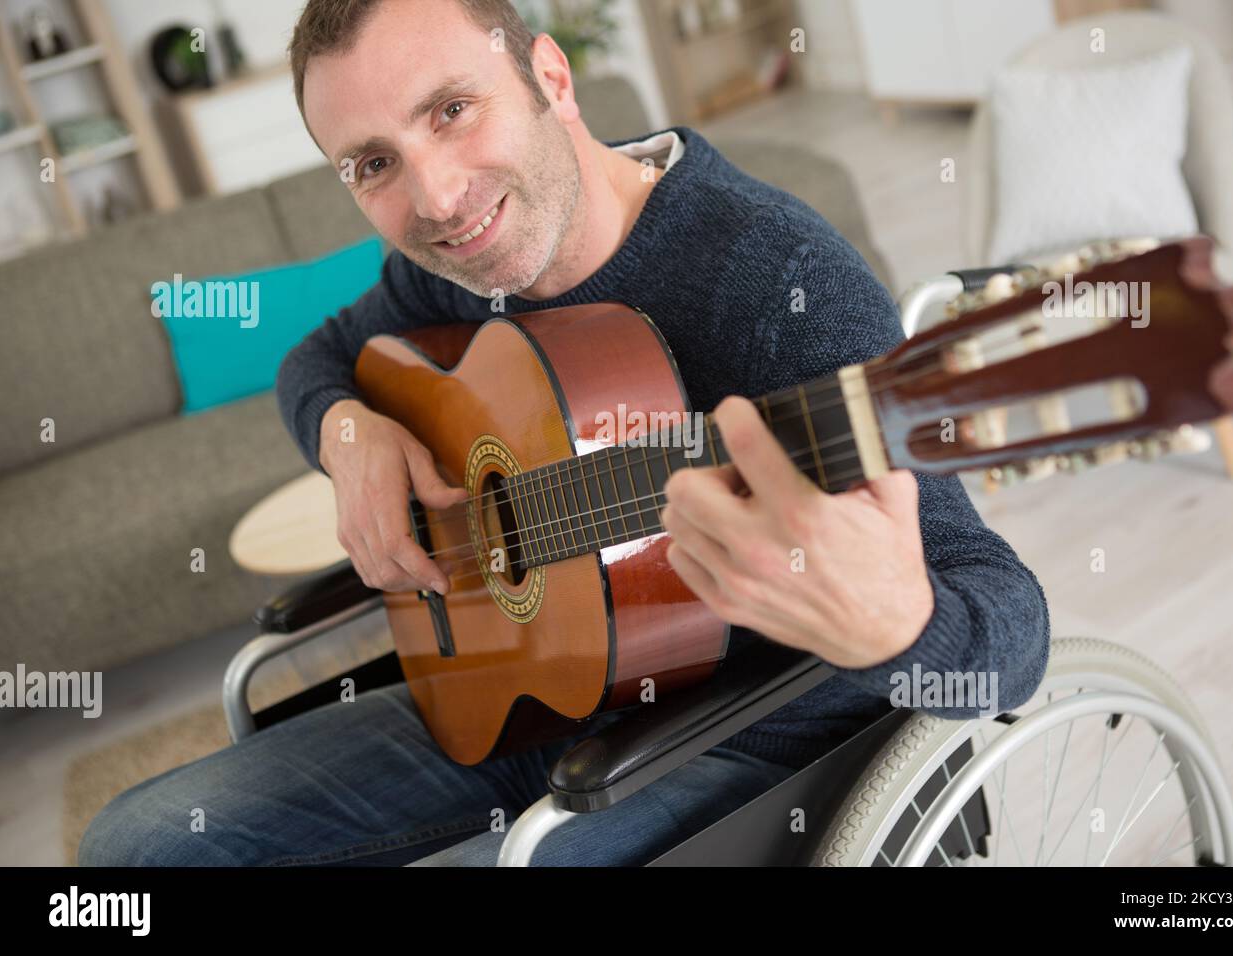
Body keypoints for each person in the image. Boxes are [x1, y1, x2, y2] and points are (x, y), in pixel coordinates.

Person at [79, 0, 1049, 867]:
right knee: (134, 845)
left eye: (450, 110)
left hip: (748, 740)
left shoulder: (778, 282)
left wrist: (903, 627)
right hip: (519, 687)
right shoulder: (454, 268)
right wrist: (346, 434)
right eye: (373, 163)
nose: (438, 198)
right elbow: (315, 361)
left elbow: (1010, 627)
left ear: (550, 76)